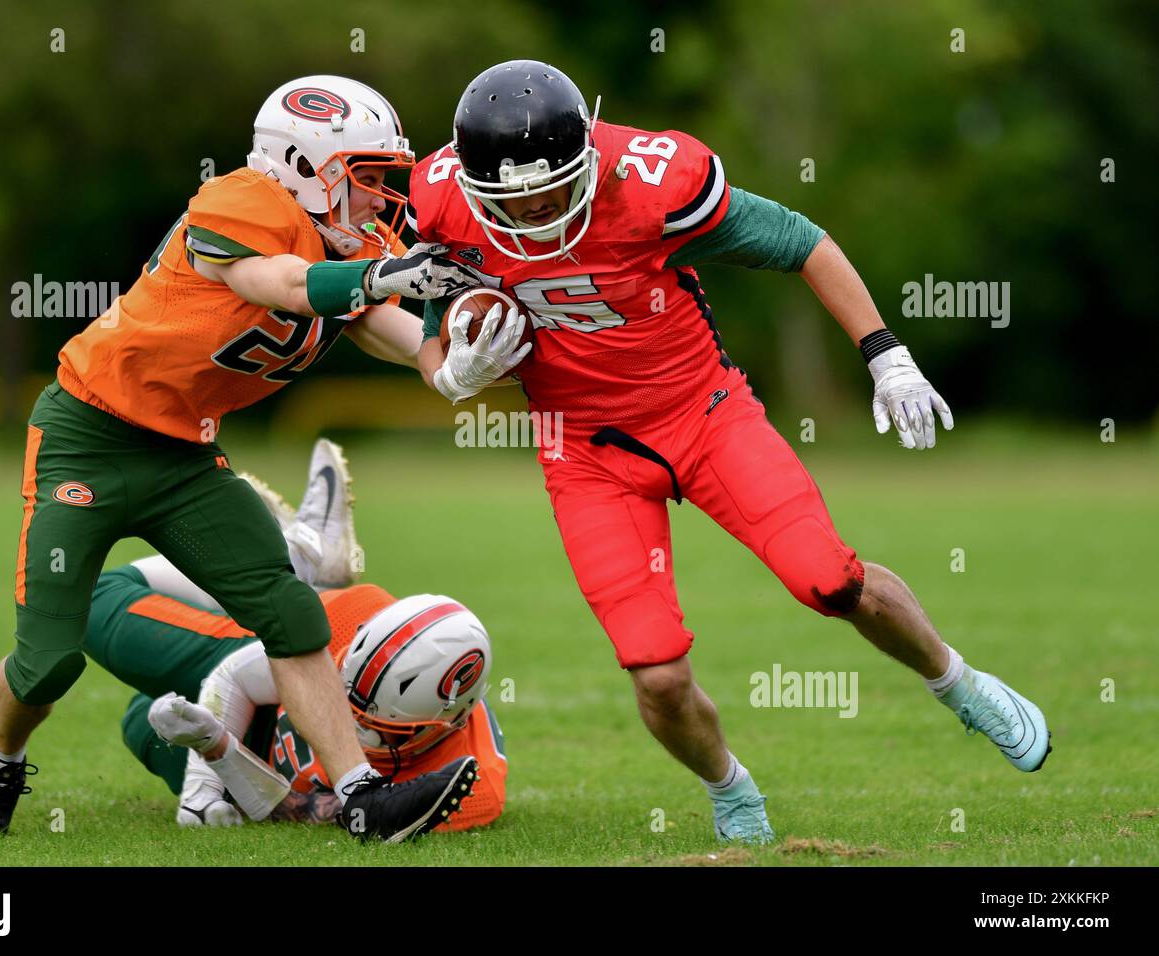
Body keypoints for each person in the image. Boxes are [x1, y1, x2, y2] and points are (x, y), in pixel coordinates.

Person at [405, 59, 1050, 844]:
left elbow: (802, 242)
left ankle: (959, 683)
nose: (538, 210)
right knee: (657, 672)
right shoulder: (444, 204)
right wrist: (455, 374)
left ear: (589, 155)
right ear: (471, 185)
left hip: (705, 416)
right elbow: (435, 339)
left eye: (551, 187)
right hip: (585, 451)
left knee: (830, 580)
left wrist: (885, 352)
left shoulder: (651, 183)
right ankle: (732, 792)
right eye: (514, 200)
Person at [0, 75, 482, 842]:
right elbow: (282, 283)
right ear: (302, 164)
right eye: (364, 175)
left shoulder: (354, 239)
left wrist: (445, 369)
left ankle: (361, 795)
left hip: (182, 454)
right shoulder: (240, 201)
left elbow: (376, 318)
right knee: (49, 665)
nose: (377, 196)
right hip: (87, 438)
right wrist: (377, 277)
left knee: (290, 610)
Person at [81, 440, 506, 833]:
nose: (350, 722)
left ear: (444, 724)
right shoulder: (350, 622)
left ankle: (292, 573)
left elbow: (314, 810)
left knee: (142, 719)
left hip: (258, 750)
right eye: (346, 697)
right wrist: (201, 789)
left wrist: (220, 748)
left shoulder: (473, 788)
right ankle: (293, 567)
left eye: (378, 728)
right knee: (90, 598)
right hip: (262, 668)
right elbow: (236, 677)